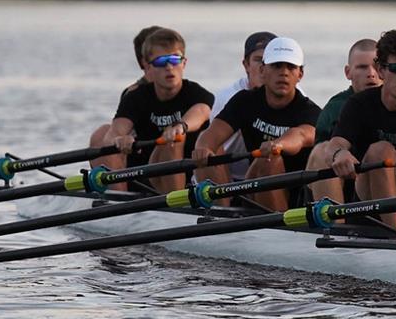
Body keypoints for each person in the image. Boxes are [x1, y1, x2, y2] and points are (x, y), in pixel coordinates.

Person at [309, 27, 396, 230]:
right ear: (381, 70)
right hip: (369, 206)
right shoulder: (359, 104)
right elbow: (336, 143)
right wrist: (339, 154)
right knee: (380, 150)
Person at [192, 37, 320, 209]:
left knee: (270, 158)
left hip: (296, 198)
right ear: (262, 70)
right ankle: (220, 212)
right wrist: (203, 148)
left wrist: (279, 145)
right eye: (276, 66)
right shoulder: (245, 101)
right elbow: (212, 133)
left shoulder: (310, 111)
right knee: (209, 151)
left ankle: (274, 220)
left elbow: (301, 135)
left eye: (291, 67)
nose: (284, 73)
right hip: (255, 183)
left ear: (300, 74)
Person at [87, 27, 214, 192]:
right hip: (145, 173)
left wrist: (181, 126)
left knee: (174, 138)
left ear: (184, 63)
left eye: (175, 60)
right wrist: (119, 139)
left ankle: (177, 202)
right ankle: (119, 198)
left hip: (188, 176)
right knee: (102, 133)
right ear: (148, 67)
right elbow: (113, 133)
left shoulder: (198, 94)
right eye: (161, 62)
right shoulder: (135, 97)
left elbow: (202, 111)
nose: (169, 67)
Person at [206, 30, 278, 178]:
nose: (263, 67)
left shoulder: (295, 95)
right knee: (210, 144)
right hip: (227, 174)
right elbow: (212, 143)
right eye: (259, 60)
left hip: (267, 171)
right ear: (246, 65)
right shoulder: (226, 97)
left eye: (271, 61)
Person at [313, 38, 381, 142]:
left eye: (376, 67)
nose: (371, 74)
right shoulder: (335, 108)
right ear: (348, 72)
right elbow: (320, 149)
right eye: (362, 67)